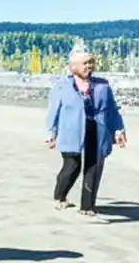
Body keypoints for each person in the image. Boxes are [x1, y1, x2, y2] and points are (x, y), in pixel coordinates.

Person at [46, 49, 127, 217]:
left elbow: (112, 109)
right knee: (72, 166)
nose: (89, 66)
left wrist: (118, 130)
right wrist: (51, 133)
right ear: (72, 67)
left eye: (91, 63)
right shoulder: (61, 86)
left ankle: (87, 206)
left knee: (94, 167)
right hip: (71, 131)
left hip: (98, 129)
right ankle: (60, 196)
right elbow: (54, 111)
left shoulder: (102, 85)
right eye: (85, 63)